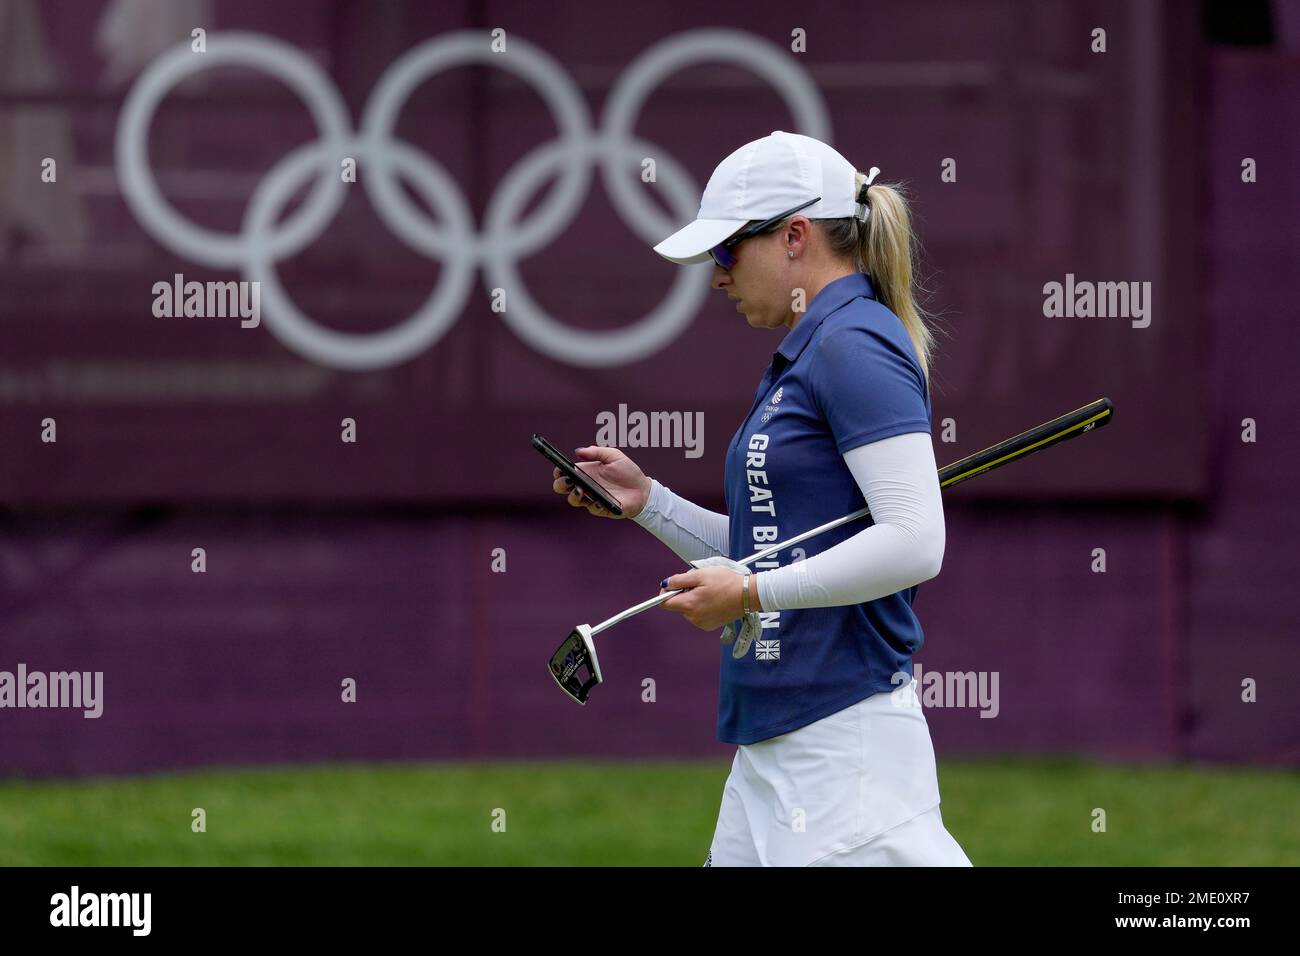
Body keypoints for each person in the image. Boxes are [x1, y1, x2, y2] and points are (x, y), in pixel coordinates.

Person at [550, 131, 970, 867]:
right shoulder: (809, 351)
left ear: (795, 237)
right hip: (774, 748)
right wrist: (649, 502)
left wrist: (748, 593)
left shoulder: (853, 345)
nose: (716, 276)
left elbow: (914, 542)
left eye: (726, 253)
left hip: (843, 756)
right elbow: (769, 547)